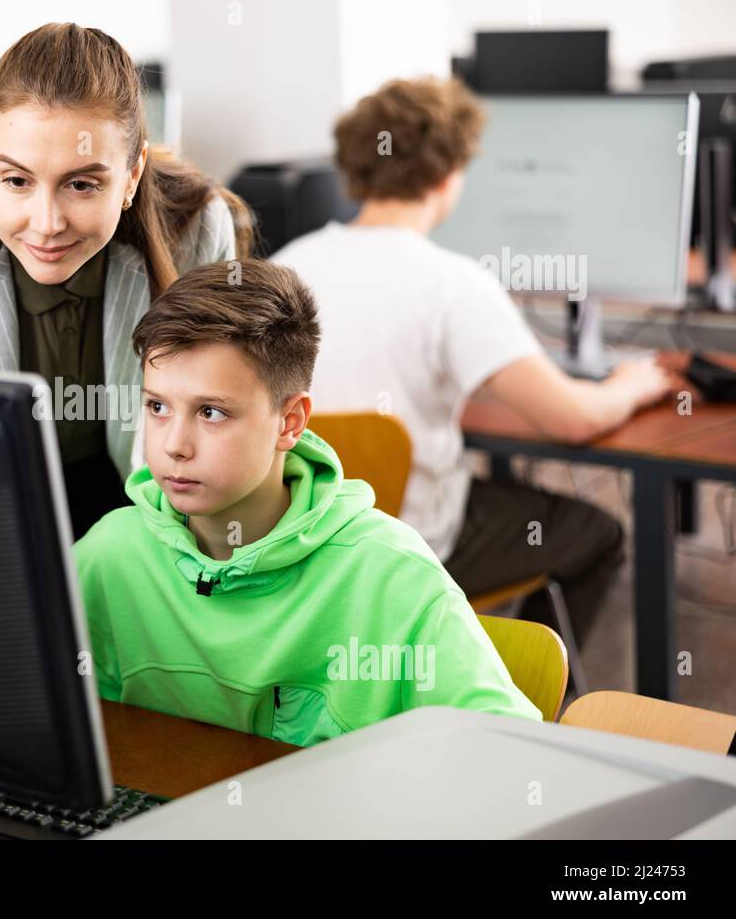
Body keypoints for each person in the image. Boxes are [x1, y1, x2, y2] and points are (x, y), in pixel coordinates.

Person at [271, 77, 675, 647]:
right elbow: (574, 420)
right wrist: (630, 386)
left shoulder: (284, 268)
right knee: (597, 532)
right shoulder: (455, 284)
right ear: (446, 176)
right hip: (405, 546)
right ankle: (517, 693)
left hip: (297, 546)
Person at [73, 260, 540, 745]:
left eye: (211, 412)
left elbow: (507, 752)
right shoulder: (110, 556)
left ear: (290, 422)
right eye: (157, 407)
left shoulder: (391, 575)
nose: (174, 444)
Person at [0, 22, 253, 539]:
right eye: (16, 180)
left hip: (150, 508)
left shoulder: (196, 229)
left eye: (81, 184)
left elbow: (208, 432)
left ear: (133, 175)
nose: (47, 222)